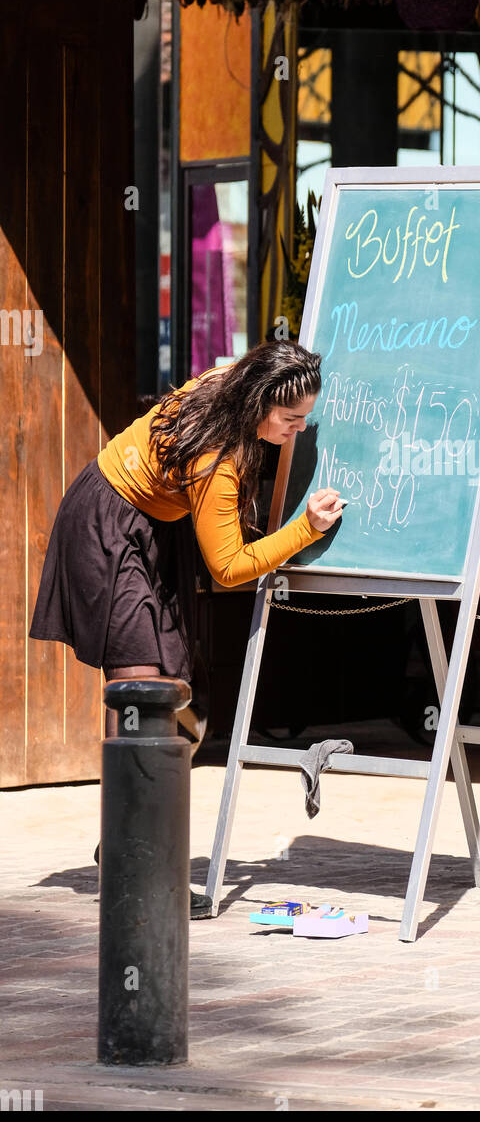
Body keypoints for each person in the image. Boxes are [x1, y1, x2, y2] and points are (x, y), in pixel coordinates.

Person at [29, 340, 343, 917]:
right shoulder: (217, 462)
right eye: (289, 420)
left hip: (155, 524)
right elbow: (228, 569)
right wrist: (306, 530)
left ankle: (126, 836)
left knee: (179, 704)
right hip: (107, 524)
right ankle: (141, 866)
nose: (298, 432)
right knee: (144, 697)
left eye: (306, 420)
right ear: (257, 403)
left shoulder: (228, 380)